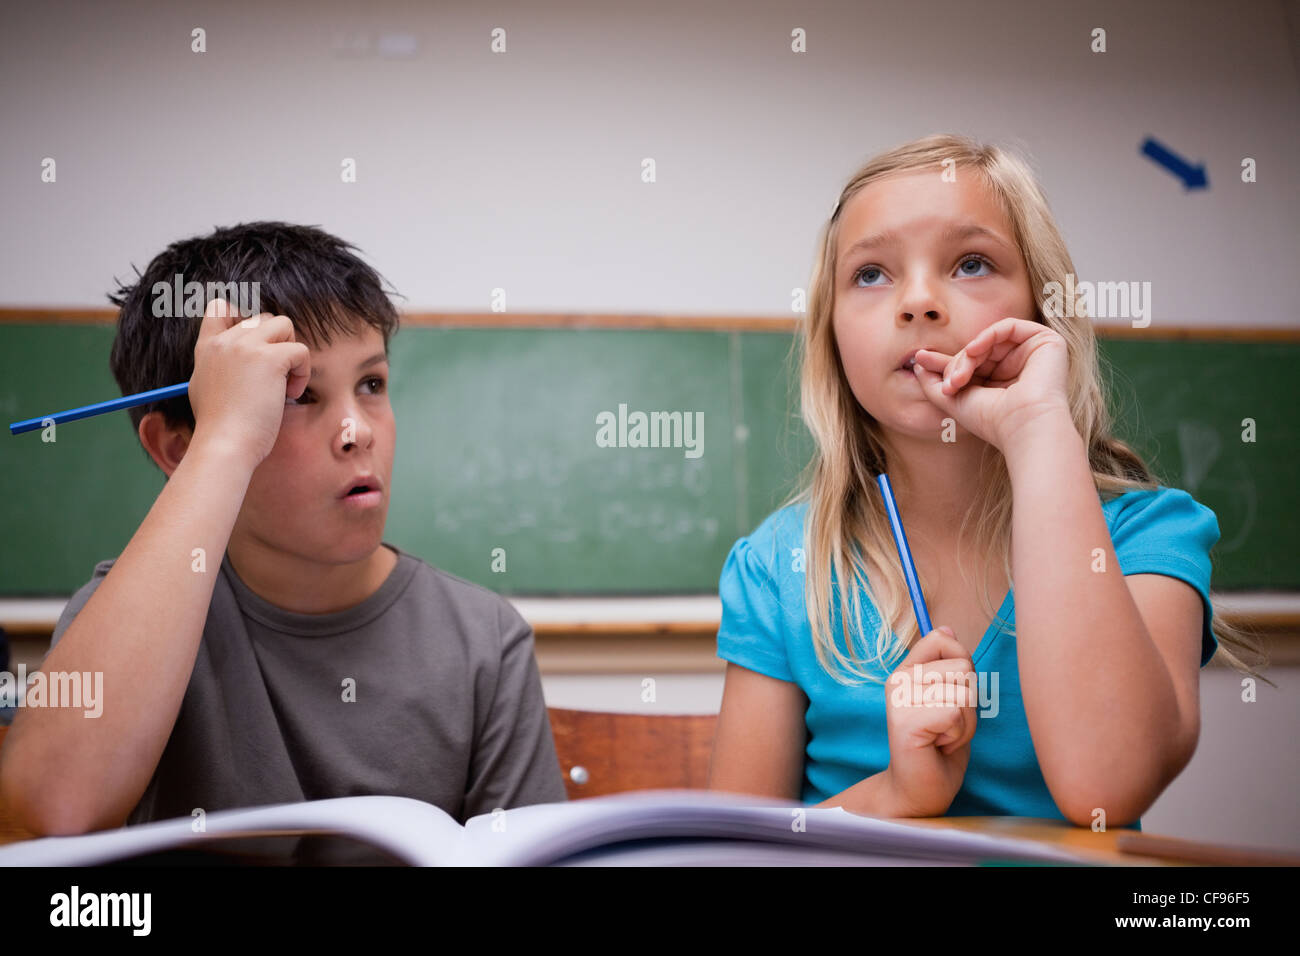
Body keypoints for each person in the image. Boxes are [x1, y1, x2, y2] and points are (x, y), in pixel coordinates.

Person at [708, 134, 1266, 829]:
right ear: (831, 335)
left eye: (971, 263)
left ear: (1040, 309)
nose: (918, 302)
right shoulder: (777, 568)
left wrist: (1037, 428)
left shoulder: (1148, 535)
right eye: (872, 274)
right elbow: (734, 849)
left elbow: (1107, 789)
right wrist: (896, 795)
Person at [0, 222, 567, 836]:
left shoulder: (482, 640)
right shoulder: (128, 617)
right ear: (177, 447)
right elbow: (49, 813)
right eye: (297, 395)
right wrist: (225, 441)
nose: (359, 430)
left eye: (371, 384)